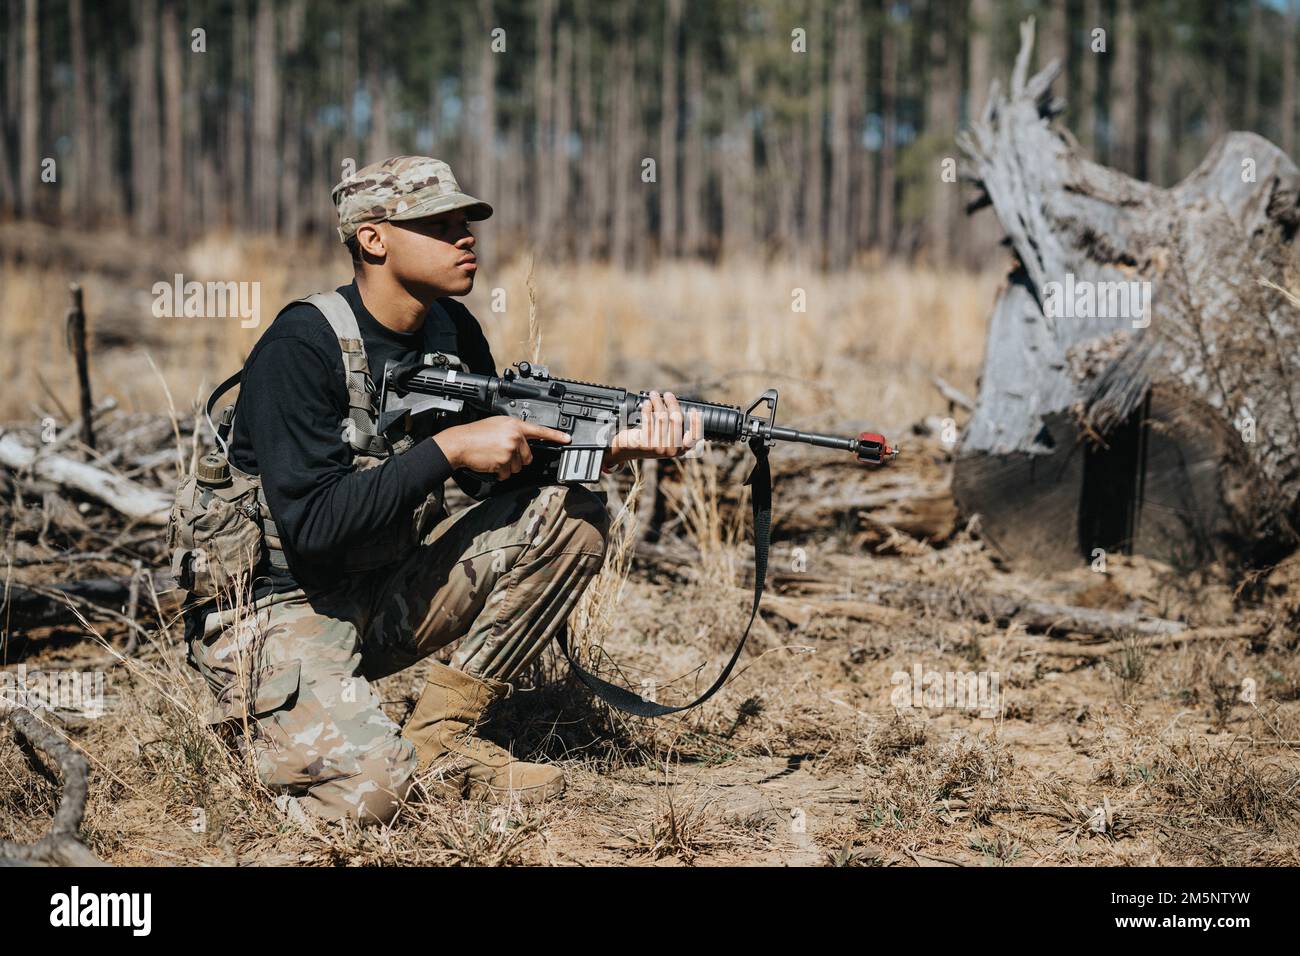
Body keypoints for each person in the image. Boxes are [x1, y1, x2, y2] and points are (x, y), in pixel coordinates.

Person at [186, 156, 702, 827]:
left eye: (467, 223)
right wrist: (449, 448)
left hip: (379, 583)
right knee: (372, 798)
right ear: (374, 238)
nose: (467, 238)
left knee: (572, 513)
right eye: (441, 224)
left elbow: (491, 475)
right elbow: (311, 525)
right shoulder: (300, 346)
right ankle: (274, 731)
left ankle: (440, 739)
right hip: (274, 607)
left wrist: (603, 451)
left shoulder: (450, 332)